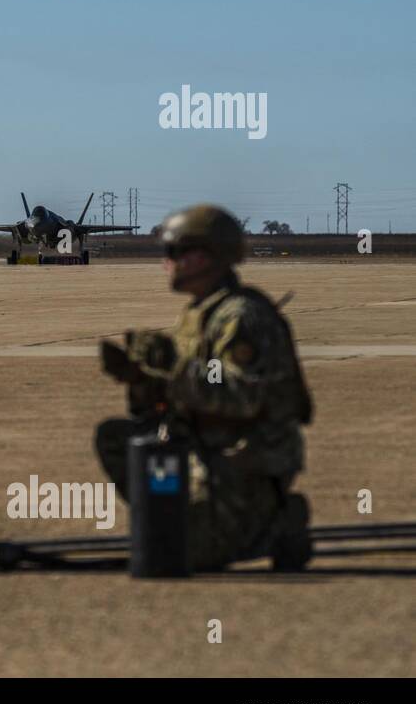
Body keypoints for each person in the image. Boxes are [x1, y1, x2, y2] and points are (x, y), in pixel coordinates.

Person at [96, 204, 312, 570]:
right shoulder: (201, 314)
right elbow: (192, 388)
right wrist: (143, 379)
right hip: (203, 446)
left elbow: (242, 394)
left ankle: (273, 523)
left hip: (244, 463)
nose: (167, 262)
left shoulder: (241, 317)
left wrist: (174, 368)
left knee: (173, 556)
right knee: (117, 439)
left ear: (206, 257)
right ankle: (180, 516)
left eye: (176, 252)